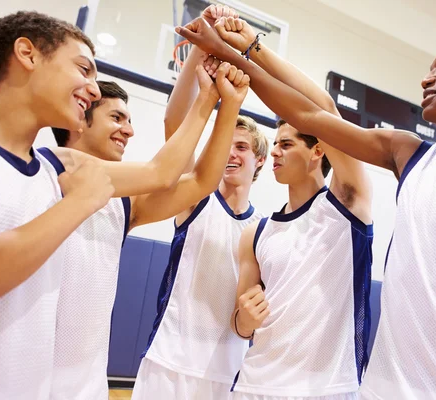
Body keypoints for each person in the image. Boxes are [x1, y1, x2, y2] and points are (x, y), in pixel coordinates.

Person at [178, 17, 436, 399]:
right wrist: (237, 51)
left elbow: (318, 110)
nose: (426, 78)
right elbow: (311, 115)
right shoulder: (408, 154)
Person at [47, 59, 251, 399]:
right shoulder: (47, 168)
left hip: (88, 385)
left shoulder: (123, 201)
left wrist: (228, 104)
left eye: (129, 120)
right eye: (116, 118)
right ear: (79, 119)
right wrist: (205, 96)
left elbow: (202, 181)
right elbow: (162, 171)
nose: (129, 131)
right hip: (23, 378)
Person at [0, 11, 113, 399]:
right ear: (27, 53)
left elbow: (167, 173)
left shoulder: (52, 168)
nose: (93, 90)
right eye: (83, 69)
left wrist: (214, 89)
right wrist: (80, 203)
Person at [212, 17, 373, 399]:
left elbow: (325, 108)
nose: (276, 152)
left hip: (325, 389)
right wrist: (244, 320)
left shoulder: (348, 205)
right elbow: (240, 324)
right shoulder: (258, 232)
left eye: (286, 143)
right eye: (276, 144)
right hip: (254, 384)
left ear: (319, 150)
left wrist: (253, 46)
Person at [131, 6, 270, 400]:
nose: (231, 152)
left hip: (230, 371)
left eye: (241, 147)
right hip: (170, 361)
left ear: (259, 160)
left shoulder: (265, 228)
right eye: (227, 142)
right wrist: (199, 46)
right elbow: (174, 125)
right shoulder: (197, 198)